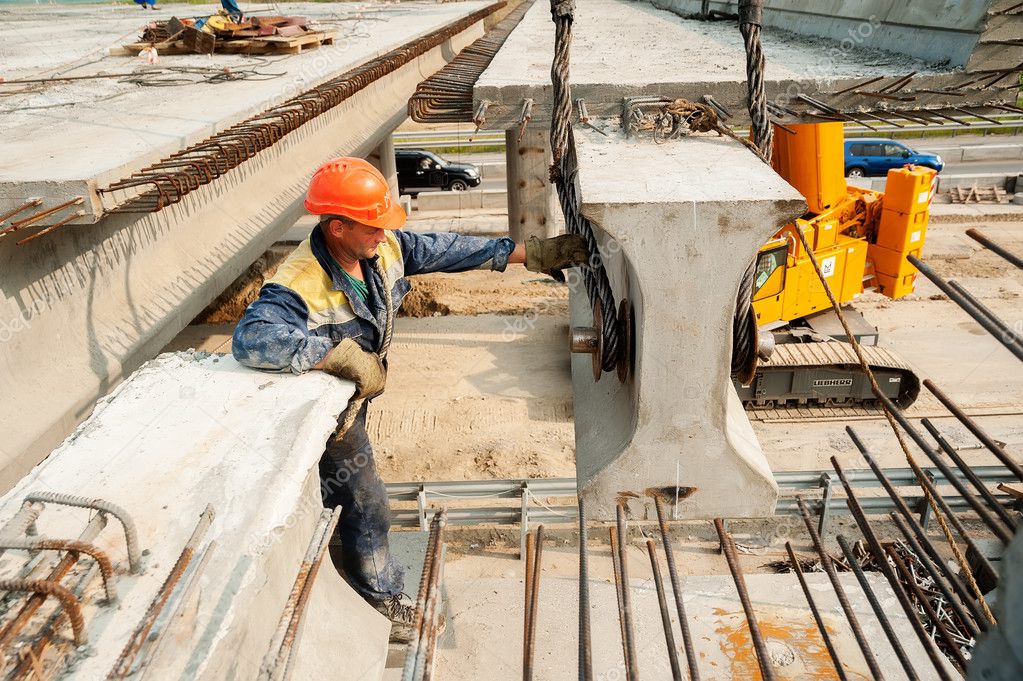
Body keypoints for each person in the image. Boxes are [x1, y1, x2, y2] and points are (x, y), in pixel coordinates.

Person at [232, 157, 587, 642]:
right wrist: (337, 354)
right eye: (373, 226)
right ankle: (382, 598)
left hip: (349, 403)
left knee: (337, 496)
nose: (384, 234)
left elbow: (447, 249)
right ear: (337, 227)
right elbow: (251, 339)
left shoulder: (381, 249)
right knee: (366, 499)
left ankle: (340, 558)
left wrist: (529, 254)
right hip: (331, 417)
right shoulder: (299, 283)